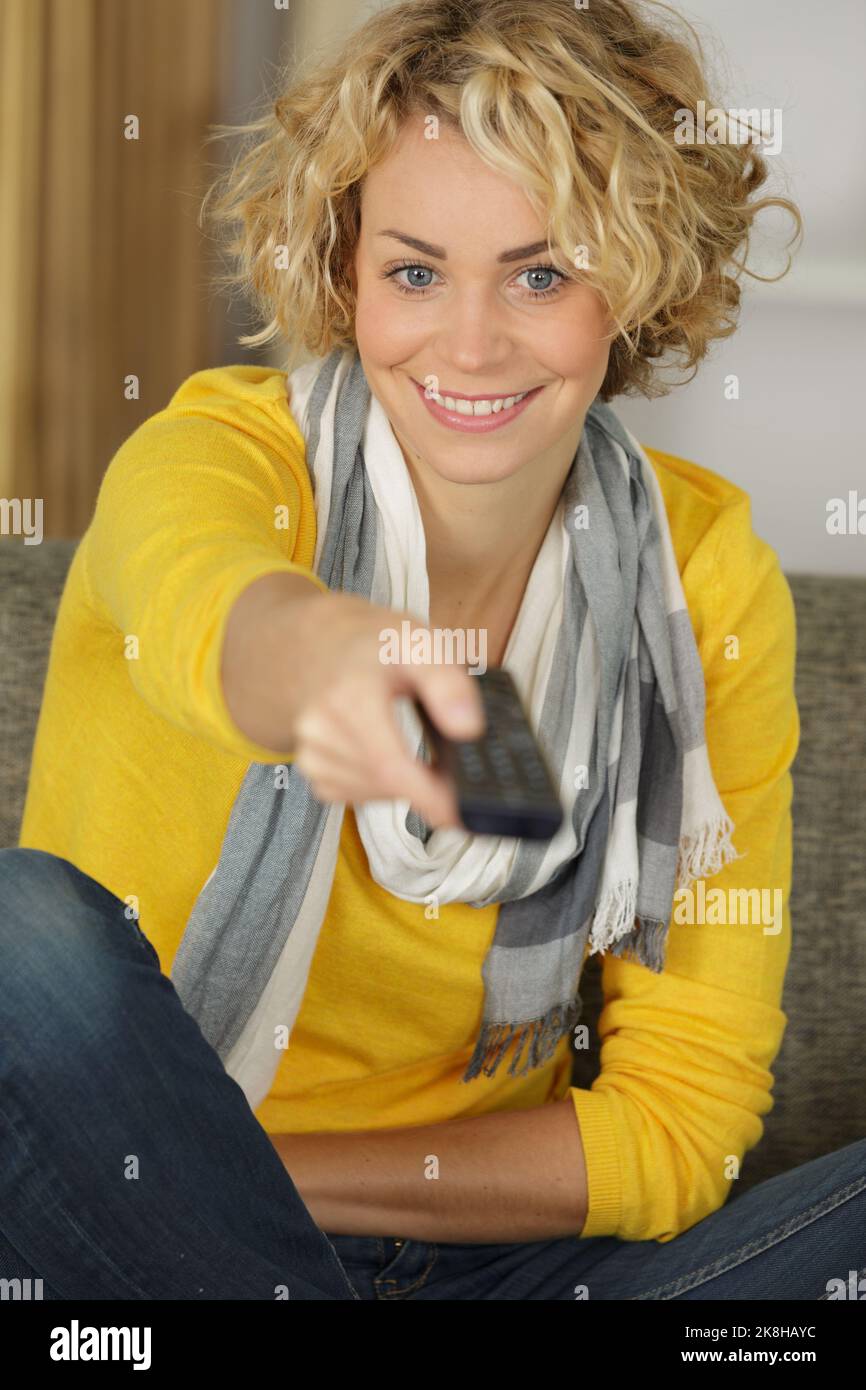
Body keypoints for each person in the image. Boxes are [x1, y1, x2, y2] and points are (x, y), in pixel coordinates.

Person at [2, 0, 863, 1301]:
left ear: (633, 278)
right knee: (25, 931)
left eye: (540, 272)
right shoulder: (215, 463)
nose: (470, 344)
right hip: (142, 1249)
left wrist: (239, 1184)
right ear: (345, 270)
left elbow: (679, 1126)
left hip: (504, 1271)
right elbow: (211, 599)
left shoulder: (698, 575)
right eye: (414, 271)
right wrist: (332, 661)